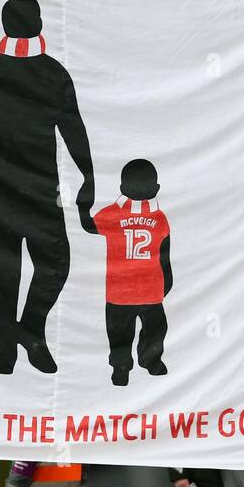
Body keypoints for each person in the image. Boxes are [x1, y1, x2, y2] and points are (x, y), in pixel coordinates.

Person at [0, 0, 94, 375]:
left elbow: (72, 129)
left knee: (50, 263)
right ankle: (4, 349)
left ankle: (30, 330)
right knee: (3, 269)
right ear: (38, 25)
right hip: (0, 188)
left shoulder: (46, 73)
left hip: (37, 187)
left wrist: (87, 175)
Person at [89, 158, 172, 383]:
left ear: (122, 188)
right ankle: (151, 361)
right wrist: (168, 280)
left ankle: (121, 366)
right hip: (151, 292)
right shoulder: (160, 218)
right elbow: (165, 254)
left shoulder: (111, 214)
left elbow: (89, 225)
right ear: (156, 189)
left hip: (119, 293)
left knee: (119, 334)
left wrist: (81, 204)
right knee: (155, 331)